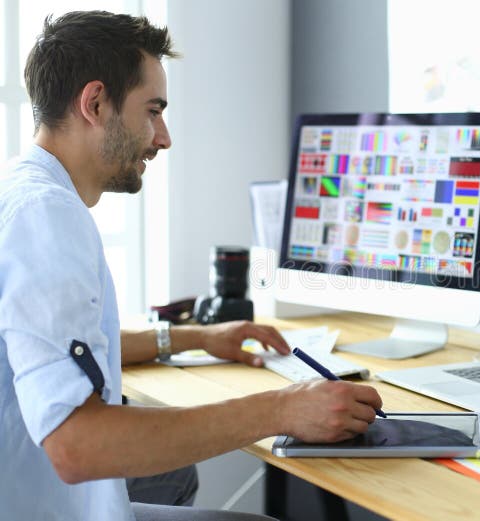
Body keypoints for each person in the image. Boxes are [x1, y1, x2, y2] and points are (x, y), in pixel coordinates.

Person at [0, 10, 384, 521]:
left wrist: (195, 338)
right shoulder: (48, 217)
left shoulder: (23, 191)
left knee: (174, 476)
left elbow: (61, 348)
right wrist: (282, 408)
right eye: (152, 110)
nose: (163, 137)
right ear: (94, 103)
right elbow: (77, 448)